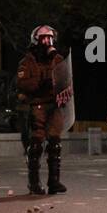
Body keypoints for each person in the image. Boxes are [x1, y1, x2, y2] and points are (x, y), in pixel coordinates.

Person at [16, 25, 68, 195]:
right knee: (36, 143)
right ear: (36, 40)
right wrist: (40, 83)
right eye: (44, 38)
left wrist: (65, 92)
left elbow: (67, 81)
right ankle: (34, 183)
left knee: (55, 143)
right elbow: (22, 84)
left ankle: (54, 181)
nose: (47, 42)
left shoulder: (58, 59)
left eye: (50, 38)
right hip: (37, 104)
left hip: (54, 105)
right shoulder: (27, 61)